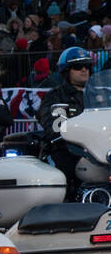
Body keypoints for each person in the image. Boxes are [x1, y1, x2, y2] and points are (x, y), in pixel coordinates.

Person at [37, 47, 93, 199]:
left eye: (87, 66)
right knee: (64, 172)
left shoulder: (97, 97)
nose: (84, 70)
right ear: (67, 71)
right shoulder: (56, 97)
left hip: (97, 151)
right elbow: (55, 127)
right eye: (77, 66)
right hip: (69, 150)